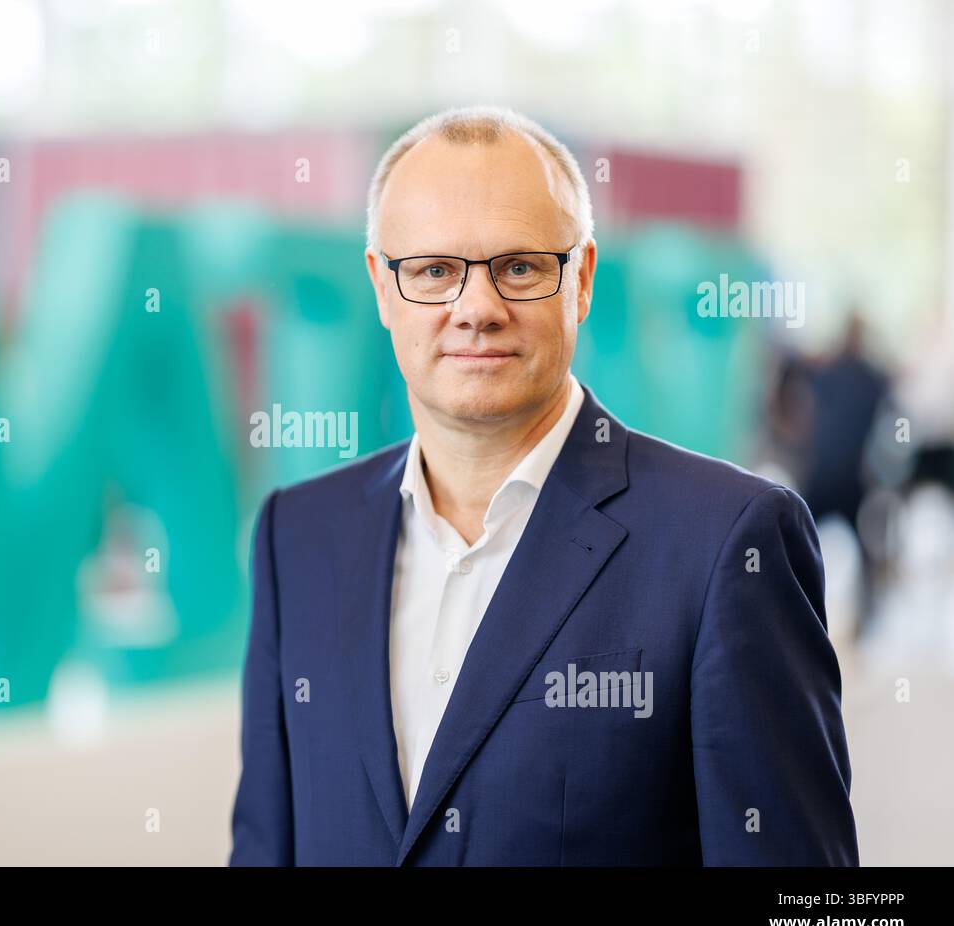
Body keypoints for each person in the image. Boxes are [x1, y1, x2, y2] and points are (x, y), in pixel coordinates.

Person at [229, 105, 858, 866]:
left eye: (520, 267)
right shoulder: (296, 536)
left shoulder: (727, 543)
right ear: (382, 287)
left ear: (582, 278)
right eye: (433, 271)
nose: (477, 310)